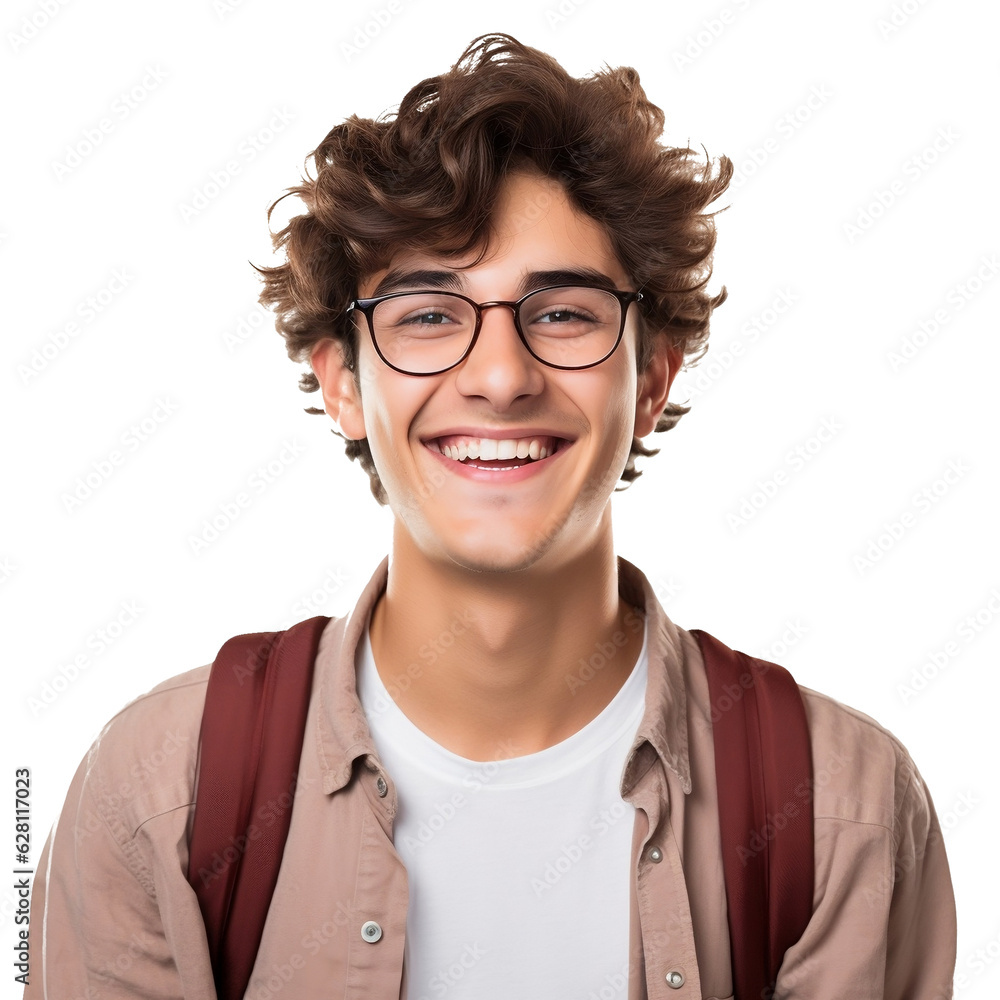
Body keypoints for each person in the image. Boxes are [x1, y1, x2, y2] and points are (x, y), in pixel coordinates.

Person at [26, 33, 955, 1000]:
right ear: (342, 381)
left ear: (652, 379)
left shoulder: (844, 808)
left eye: (563, 313)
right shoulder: (156, 796)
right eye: (428, 313)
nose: (503, 377)